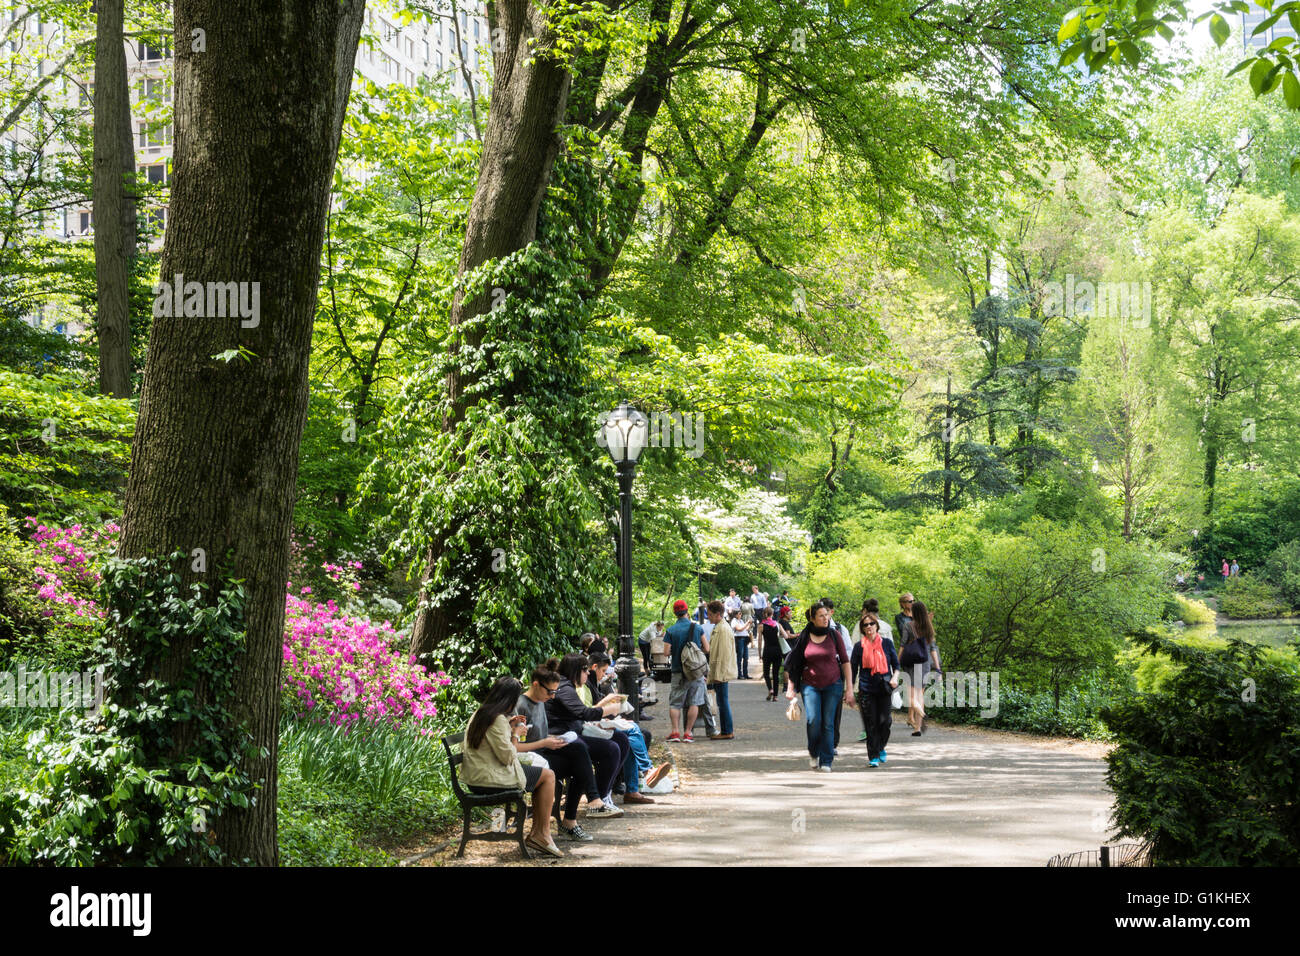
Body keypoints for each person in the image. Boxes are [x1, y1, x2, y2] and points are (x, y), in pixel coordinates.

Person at [463, 675, 562, 856]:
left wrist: (509, 726)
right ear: (509, 699)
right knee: (548, 776)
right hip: (489, 779)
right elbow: (508, 756)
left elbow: (494, 744)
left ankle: (540, 833)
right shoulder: (496, 719)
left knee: (543, 774)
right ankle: (541, 833)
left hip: (479, 776)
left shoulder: (482, 714)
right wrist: (515, 733)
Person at [546, 653, 627, 818]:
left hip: (573, 732)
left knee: (620, 739)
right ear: (575, 670)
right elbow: (583, 712)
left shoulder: (567, 685)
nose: (588, 673)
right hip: (562, 737)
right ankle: (596, 800)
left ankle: (603, 795)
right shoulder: (564, 687)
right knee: (610, 749)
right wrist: (608, 710)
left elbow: (579, 714)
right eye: (584, 669)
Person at [784, 601, 853, 771]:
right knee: (814, 721)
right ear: (813, 619)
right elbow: (794, 664)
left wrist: (849, 688)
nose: (825, 618)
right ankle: (814, 752)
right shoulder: (805, 637)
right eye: (821, 615)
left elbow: (845, 661)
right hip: (810, 685)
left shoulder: (834, 635)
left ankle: (826, 761)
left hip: (833, 684)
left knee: (828, 723)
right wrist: (791, 687)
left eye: (827, 615)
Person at [586, 652, 659, 805]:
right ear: (594, 667)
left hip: (596, 725)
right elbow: (585, 713)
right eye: (603, 671)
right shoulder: (583, 685)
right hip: (589, 730)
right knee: (632, 730)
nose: (604, 675)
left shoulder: (591, 683)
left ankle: (633, 789)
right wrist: (607, 703)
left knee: (631, 735)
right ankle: (646, 770)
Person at [849, 613, 899, 767]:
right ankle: (873, 756)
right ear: (862, 629)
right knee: (871, 723)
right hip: (866, 688)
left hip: (884, 686)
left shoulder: (887, 644)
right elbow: (853, 669)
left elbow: (896, 666)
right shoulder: (859, 647)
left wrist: (895, 678)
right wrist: (849, 690)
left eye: (871, 624)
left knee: (885, 722)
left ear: (877, 626)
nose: (869, 627)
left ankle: (881, 747)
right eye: (865, 625)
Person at [664, 598, 711, 742]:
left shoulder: (671, 630)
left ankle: (675, 732)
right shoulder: (697, 628)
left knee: (675, 703)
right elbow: (707, 648)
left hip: (678, 671)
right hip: (695, 671)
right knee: (694, 702)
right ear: (687, 611)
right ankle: (688, 733)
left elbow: (666, 652)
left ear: (675, 613)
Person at [900, 601, 941, 735]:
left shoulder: (908, 625)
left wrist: (897, 662)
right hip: (925, 664)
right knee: (920, 695)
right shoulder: (928, 627)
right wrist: (938, 668)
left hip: (912, 663)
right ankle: (917, 728)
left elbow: (903, 645)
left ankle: (922, 714)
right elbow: (933, 649)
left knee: (911, 696)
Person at [706, 600, 737, 739]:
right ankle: (726, 730)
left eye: (710, 614)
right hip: (719, 671)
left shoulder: (723, 629)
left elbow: (723, 654)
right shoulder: (720, 627)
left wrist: (718, 674)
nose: (708, 617)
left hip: (721, 672)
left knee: (723, 702)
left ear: (718, 614)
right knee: (722, 701)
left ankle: (727, 731)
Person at [759, 607, 784, 701]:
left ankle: (771, 689)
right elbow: (785, 635)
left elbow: (760, 641)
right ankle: (775, 696)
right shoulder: (777, 624)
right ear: (772, 614)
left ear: (764, 614)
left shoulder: (761, 626)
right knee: (775, 673)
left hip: (767, 651)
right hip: (777, 651)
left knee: (766, 673)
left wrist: (759, 654)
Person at [732, 605, 752, 680]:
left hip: (744, 639)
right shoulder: (734, 621)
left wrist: (749, 623)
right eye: (739, 613)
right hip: (739, 639)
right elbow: (739, 629)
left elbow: (745, 629)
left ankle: (745, 673)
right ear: (735, 614)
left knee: (746, 657)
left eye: (741, 613)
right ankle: (739, 674)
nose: (741, 615)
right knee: (739, 657)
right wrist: (747, 623)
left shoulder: (741, 621)